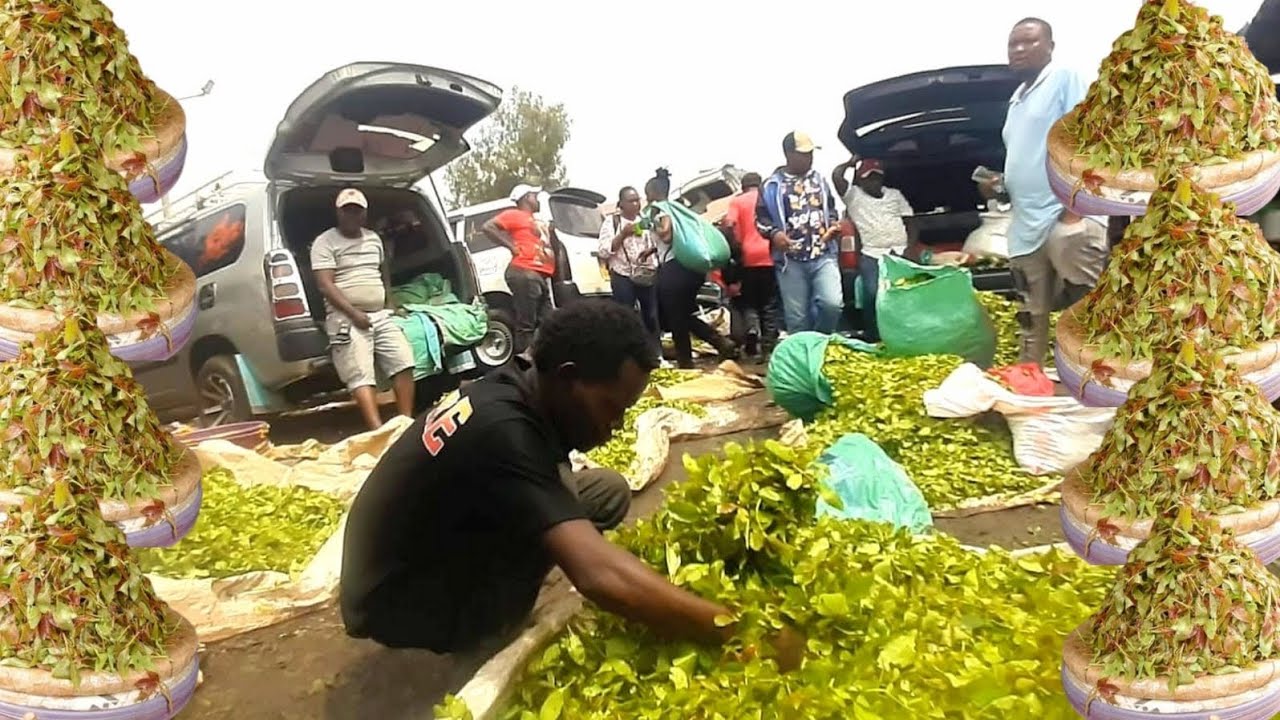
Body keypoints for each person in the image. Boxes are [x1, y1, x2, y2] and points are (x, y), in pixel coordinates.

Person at [338, 300, 803, 666]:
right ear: (567, 379)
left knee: (605, 490)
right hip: (393, 598)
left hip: (428, 547)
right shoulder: (505, 433)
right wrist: (738, 629)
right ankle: (478, 631)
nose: (618, 428)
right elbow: (598, 576)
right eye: (611, 408)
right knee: (567, 557)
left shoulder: (513, 385)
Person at [981, 17, 1108, 366]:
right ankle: (1031, 382)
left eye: (1029, 42)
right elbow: (1027, 157)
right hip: (1025, 229)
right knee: (1030, 316)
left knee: (1086, 312)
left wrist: (1075, 210)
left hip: (1063, 218)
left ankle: (1095, 391)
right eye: (1013, 44)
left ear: (1050, 46)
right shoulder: (1016, 99)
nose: (1019, 50)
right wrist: (1001, 184)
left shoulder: (1064, 78)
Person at [311, 188, 415, 432]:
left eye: (356, 211)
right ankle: (377, 431)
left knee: (404, 361)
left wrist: (390, 303)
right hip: (345, 316)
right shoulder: (325, 242)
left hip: (380, 314)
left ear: (364, 214)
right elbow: (325, 285)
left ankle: (405, 423)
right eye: (347, 211)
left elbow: (383, 273)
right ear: (338, 213)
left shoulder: (373, 239)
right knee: (360, 373)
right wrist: (353, 313)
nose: (352, 216)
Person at [646, 168, 738, 369]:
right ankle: (721, 343)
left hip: (674, 269)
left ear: (652, 192)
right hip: (691, 269)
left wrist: (654, 227)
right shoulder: (679, 209)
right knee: (682, 313)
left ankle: (686, 361)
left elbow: (667, 235)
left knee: (676, 316)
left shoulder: (660, 209)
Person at [756, 132, 843, 334]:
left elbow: (830, 209)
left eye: (811, 153)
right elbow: (760, 219)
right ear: (788, 154)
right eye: (804, 154)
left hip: (823, 254)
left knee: (833, 304)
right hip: (790, 260)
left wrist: (832, 225)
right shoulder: (771, 185)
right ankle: (805, 359)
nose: (809, 157)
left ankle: (820, 342)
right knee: (797, 319)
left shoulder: (819, 180)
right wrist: (775, 234)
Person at [840, 158, 915, 342]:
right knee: (873, 293)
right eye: (869, 178)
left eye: (877, 178)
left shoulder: (895, 195)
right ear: (861, 179)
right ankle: (874, 336)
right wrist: (850, 163)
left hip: (898, 252)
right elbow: (836, 176)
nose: (874, 182)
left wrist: (910, 248)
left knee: (903, 292)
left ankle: (904, 333)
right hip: (871, 253)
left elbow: (911, 222)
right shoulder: (854, 196)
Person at [483, 184, 556, 353]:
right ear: (526, 198)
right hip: (524, 272)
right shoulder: (514, 215)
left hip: (538, 275)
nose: (537, 199)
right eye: (534, 196)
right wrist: (511, 247)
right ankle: (524, 367)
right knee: (526, 325)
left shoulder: (535, 219)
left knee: (550, 322)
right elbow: (488, 227)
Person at [720, 172, 780, 358]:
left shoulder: (738, 202)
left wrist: (734, 249)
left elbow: (729, 224)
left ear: (743, 186)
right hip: (770, 255)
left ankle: (752, 332)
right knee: (769, 303)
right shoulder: (767, 198)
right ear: (759, 184)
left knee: (750, 302)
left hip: (748, 258)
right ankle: (769, 348)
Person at [598, 186, 660, 350]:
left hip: (646, 274)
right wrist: (623, 234)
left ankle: (655, 353)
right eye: (631, 201)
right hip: (622, 275)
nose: (636, 204)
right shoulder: (612, 222)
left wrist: (650, 251)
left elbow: (659, 243)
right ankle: (628, 354)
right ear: (621, 204)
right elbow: (604, 251)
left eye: (637, 200)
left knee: (651, 316)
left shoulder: (646, 220)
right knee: (625, 316)